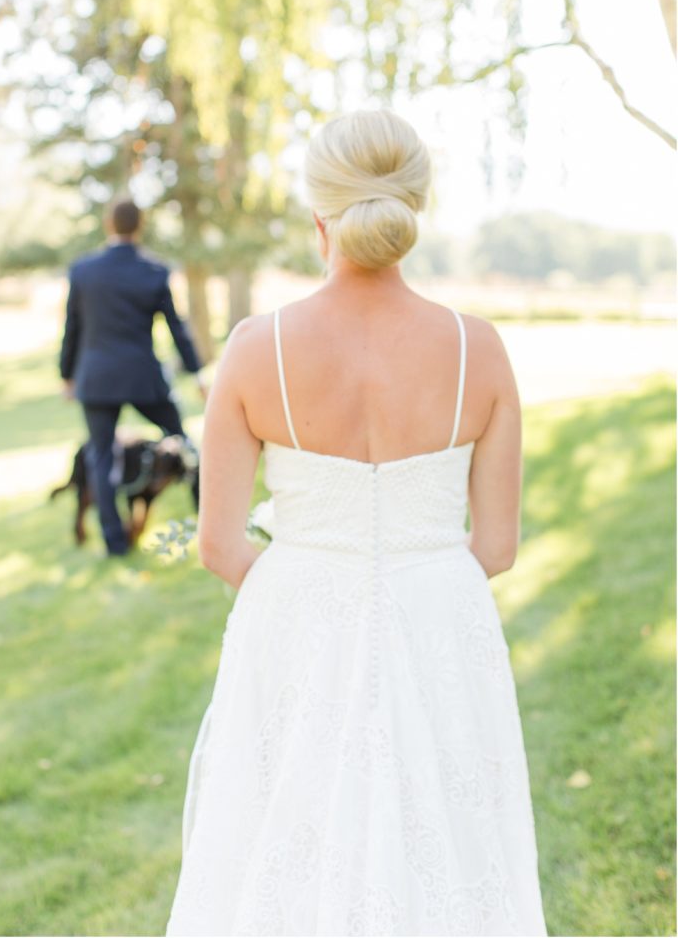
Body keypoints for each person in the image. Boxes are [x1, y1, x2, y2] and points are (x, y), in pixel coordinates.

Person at [165, 110, 547, 936]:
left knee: (287, 837)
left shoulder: (256, 347)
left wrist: (304, 584)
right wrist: (418, 577)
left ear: (320, 215)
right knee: (449, 839)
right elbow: (497, 545)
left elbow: (218, 544)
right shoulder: (479, 349)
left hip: (296, 619)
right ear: (413, 208)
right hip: (441, 618)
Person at [59, 195, 206, 556]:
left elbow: (72, 328)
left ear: (109, 224)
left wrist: (67, 375)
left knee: (101, 458)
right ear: (140, 226)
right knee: (185, 445)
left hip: (96, 378)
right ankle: (207, 522)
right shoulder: (154, 271)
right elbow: (176, 327)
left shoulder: (84, 271)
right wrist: (197, 372)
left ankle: (115, 544)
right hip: (143, 378)